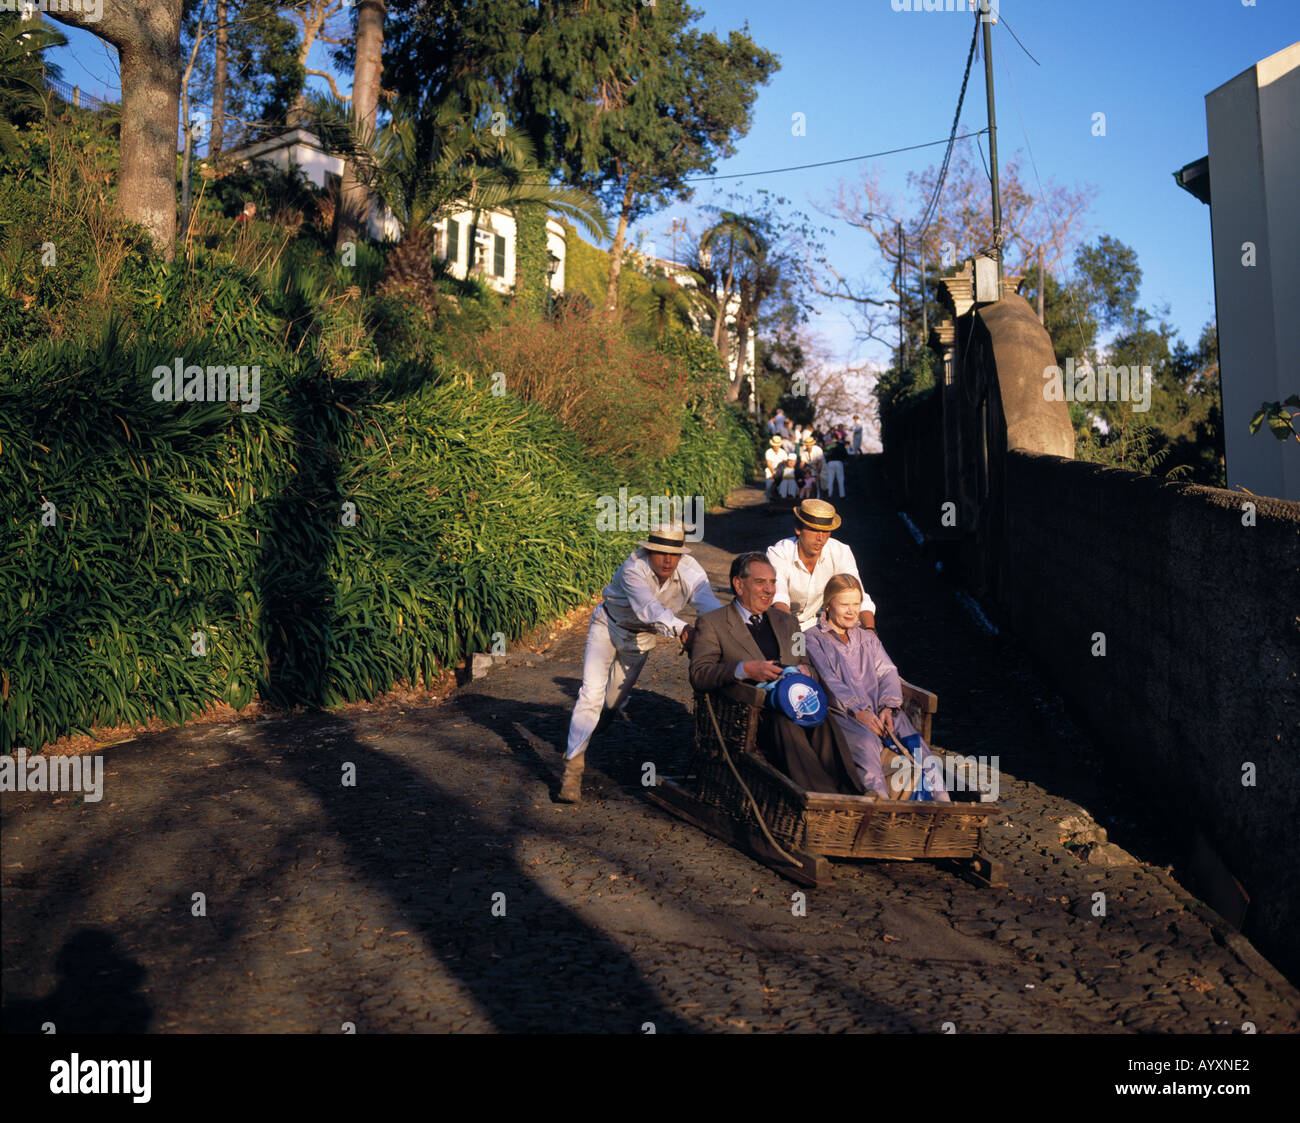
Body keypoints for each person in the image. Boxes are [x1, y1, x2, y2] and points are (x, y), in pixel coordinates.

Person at [560, 522, 722, 802]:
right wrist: (684, 630)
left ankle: (599, 719)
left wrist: (727, 633)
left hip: (642, 641)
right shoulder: (633, 568)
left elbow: (710, 606)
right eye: (660, 553)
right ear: (648, 551)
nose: (668, 560)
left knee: (611, 703)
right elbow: (649, 608)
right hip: (608, 627)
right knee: (591, 694)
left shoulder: (691, 570)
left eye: (675, 553)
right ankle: (571, 771)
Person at [689, 553, 862, 794]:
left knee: (821, 717)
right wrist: (743, 669)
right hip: (753, 712)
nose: (770, 590)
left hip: (797, 700)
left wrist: (805, 671)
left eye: (772, 582)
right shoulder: (713, 623)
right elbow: (699, 673)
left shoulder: (788, 622)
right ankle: (821, 799)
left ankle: (851, 792)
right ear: (739, 584)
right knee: (786, 723)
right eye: (761, 582)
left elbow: (807, 663)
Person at [806, 574, 949, 800]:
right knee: (865, 745)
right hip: (843, 714)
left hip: (880, 709)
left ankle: (942, 805)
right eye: (844, 604)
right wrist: (858, 710)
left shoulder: (868, 638)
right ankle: (880, 808)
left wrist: (888, 706)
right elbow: (829, 679)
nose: (852, 611)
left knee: (916, 744)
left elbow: (887, 671)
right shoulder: (813, 639)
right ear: (828, 604)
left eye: (856, 604)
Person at [766, 498, 877, 632]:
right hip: (784, 622)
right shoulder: (779, 553)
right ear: (798, 529)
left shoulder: (840, 551)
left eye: (825, 531)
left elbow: (859, 596)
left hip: (821, 623)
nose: (820, 538)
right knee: (797, 651)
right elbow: (779, 597)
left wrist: (871, 630)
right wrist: (794, 635)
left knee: (858, 645)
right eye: (813, 530)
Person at [798, 434, 825, 500]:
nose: (808, 446)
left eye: (810, 444)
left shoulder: (818, 450)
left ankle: (818, 498)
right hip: (810, 467)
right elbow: (802, 463)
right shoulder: (803, 451)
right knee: (809, 480)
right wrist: (800, 473)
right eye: (807, 444)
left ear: (812, 444)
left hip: (822, 466)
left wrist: (818, 473)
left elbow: (819, 463)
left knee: (820, 482)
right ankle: (810, 498)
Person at [823, 432, 847, 498]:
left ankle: (829, 494)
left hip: (830, 462)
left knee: (830, 479)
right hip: (839, 462)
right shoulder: (841, 445)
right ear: (837, 438)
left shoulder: (828, 445)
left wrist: (827, 460)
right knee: (840, 479)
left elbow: (824, 454)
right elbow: (845, 454)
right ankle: (842, 495)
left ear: (831, 438)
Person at [764, 436, 786, 500]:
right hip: (770, 470)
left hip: (780, 471)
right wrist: (773, 472)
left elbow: (785, 464)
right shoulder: (769, 452)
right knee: (768, 486)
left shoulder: (783, 452)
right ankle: (768, 501)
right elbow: (769, 463)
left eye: (777, 445)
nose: (776, 446)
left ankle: (779, 500)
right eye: (774, 445)